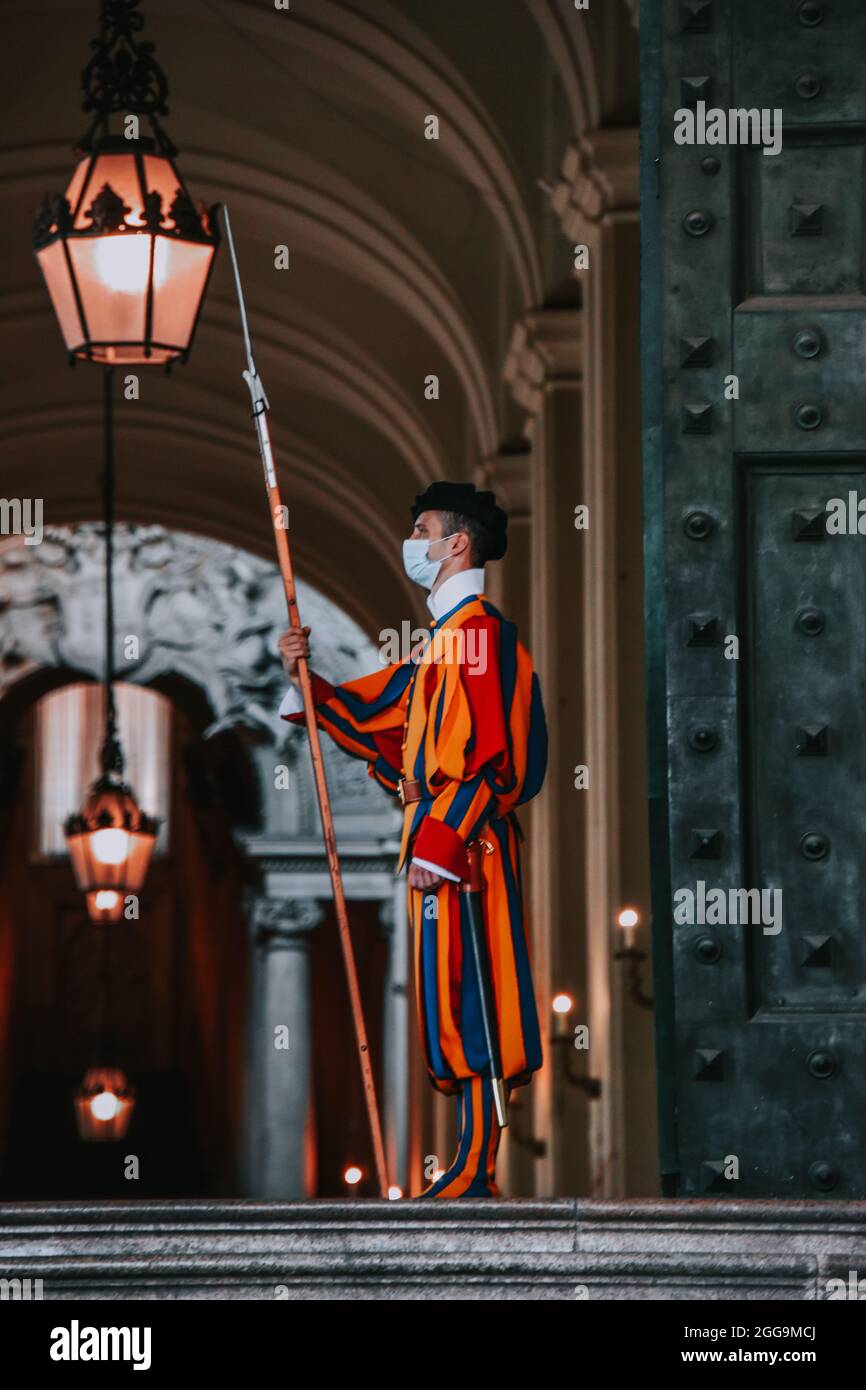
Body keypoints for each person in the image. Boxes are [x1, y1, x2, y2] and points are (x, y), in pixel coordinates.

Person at [278, 481, 547, 1197]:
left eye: (423, 528)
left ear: (458, 542)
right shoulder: (441, 649)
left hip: (468, 850)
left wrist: (440, 842)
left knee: (478, 997)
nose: (416, 542)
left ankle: (475, 1166)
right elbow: (389, 721)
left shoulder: (483, 640)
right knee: (447, 999)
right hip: (441, 850)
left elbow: (493, 758)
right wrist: (307, 681)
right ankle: (466, 1159)